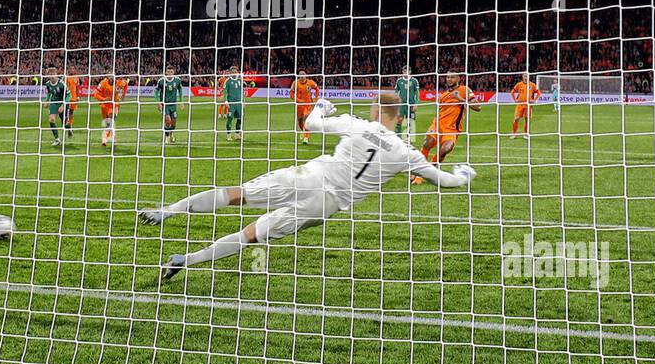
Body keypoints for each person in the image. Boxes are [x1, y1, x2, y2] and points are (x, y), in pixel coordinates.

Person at [139, 92, 475, 280]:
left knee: (236, 194)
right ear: (399, 117)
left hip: (310, 176)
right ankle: (187, 259)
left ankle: (167, 212)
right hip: (327, 205)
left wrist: (321, 106)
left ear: (375, 109)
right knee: (250, 235)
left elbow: (311, 123)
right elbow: (443, 180)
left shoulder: (355, 124)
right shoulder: (406, 152)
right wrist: (464, 174)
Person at [413, 73, 481, 184]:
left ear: (459, 78)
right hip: (438, 124)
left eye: (452, 77)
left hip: (452, 129)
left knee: (445, 149)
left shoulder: (465, 89)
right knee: (427, 143)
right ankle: (418, 175)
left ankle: (430, 170)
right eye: (448, 77)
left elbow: (478, 107)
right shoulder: (443, 95)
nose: (449, 79)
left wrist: (459, 98)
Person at [155, 66, 184, 142]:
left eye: (171, 72)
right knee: (168, 120)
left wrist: (181, 102)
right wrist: (158, 103)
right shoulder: (161, 81)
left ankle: (171, 133)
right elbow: (156, 91)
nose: (170, 74)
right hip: (165, 104)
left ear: (173, 72)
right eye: (168, 72)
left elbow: (180, 90)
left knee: (173, 123)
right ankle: (167, 136)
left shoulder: (177, 80)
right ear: (166, 72)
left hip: (173, 104)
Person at [44, 66, 69, 146]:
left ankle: (69, 128)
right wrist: (47, 101)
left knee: (64, 123)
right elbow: (49, 93)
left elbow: (69, 95)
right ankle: (57, 139)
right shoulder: (47, 84)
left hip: (62, 102)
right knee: (51, 119)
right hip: (54, 102)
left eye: (53, 74)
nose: (51, 76)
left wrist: (63, 105)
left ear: (56, 74)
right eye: (49, 74)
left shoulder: (62, 84)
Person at [509, 73, 540, 138]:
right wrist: (515, 99)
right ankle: (514, 134)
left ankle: (526, 134)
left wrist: (534, 100)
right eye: (525, 76)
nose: (526, 78)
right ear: (522, 77)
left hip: (528, 105)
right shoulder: (519, 84)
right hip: (520, 104)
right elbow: (512, 92)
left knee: (527, 120)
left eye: (527, 76)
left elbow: (539, 93)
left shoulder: (532, 85)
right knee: (516, 119)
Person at [293, 70, 320, 144]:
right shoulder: (295, 83)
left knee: (306, 120)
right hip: (299, 106)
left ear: (305, 76)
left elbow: (317, 89)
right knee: (300, 121)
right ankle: (303, 132)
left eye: (303, 76)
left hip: (308, 104)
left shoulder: (310, 82)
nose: (302, 78)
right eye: (300, 76)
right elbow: (291, 94)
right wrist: (297, 100)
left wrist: (316, 98)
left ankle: (306, 138)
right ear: (298, 77)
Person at [393, 67, 421, 137]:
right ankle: (398, 136)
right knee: (399, 119)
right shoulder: (399, 80)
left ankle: (409, 137)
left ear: (410, 71)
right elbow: (396, 91)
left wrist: (416, 104)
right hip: (402, 104)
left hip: (411, 104)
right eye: (404, 71)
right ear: (402, 71)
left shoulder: (414, 81)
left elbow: (417, 93)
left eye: (407, 71)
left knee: (411, 120)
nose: (405, 72)